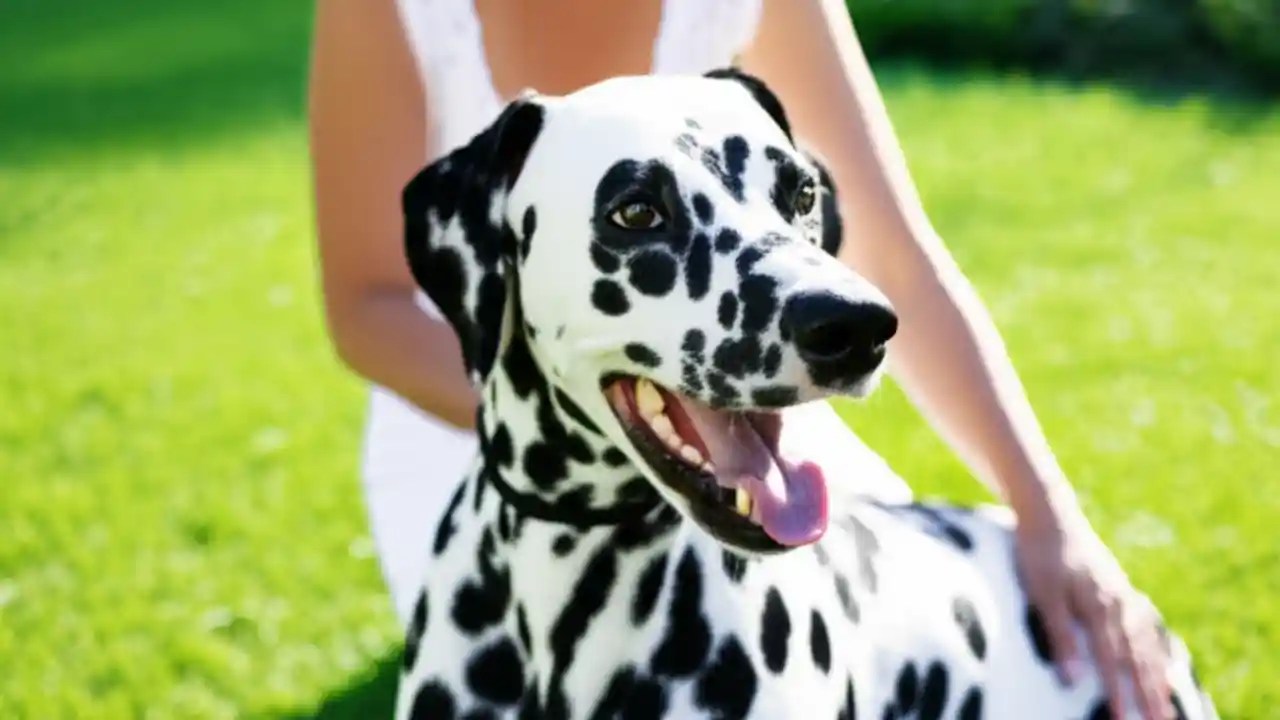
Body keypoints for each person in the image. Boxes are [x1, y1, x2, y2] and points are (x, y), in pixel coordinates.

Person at [307, 1, 1173, 717]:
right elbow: (365, 307)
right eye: (640, 217)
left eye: (792, 196)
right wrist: (554, 402)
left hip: (741, 407)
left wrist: (1050, 518)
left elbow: (893, 261)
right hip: (468, 398)